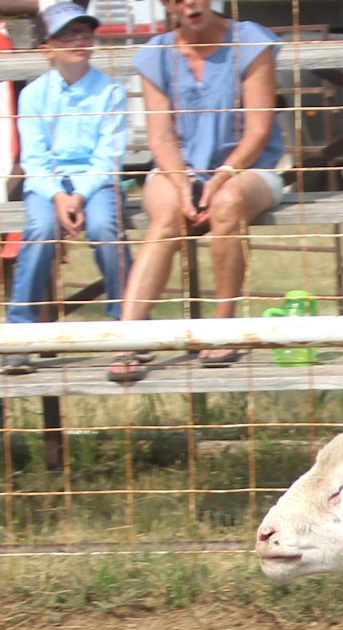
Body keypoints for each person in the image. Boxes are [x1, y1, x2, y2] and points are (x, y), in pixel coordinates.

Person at [107, 0, 285, 383]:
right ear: (166, 5)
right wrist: (182, 181)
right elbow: (160, 136)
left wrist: (223, 173)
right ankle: (126, 338)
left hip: (248, 168)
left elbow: (258, 130)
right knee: (168, 214)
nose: (188, 4)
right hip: (177, 169)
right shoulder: (156, 53)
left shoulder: (250, 41)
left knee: (227, 202)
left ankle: (222, 326)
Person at [3, 2, 129, 377]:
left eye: (84, 32)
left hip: (97, 182)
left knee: (107, 226)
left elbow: (109, 157)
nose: (79, 40)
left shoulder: (111, 92)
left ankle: (129, 323)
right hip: (48, 186)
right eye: (67, 35)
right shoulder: (34, 95)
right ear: (47, 48)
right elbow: (35, 160)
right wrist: (59, 195)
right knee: (40, 230)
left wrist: (79, 194)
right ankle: (19, 332)